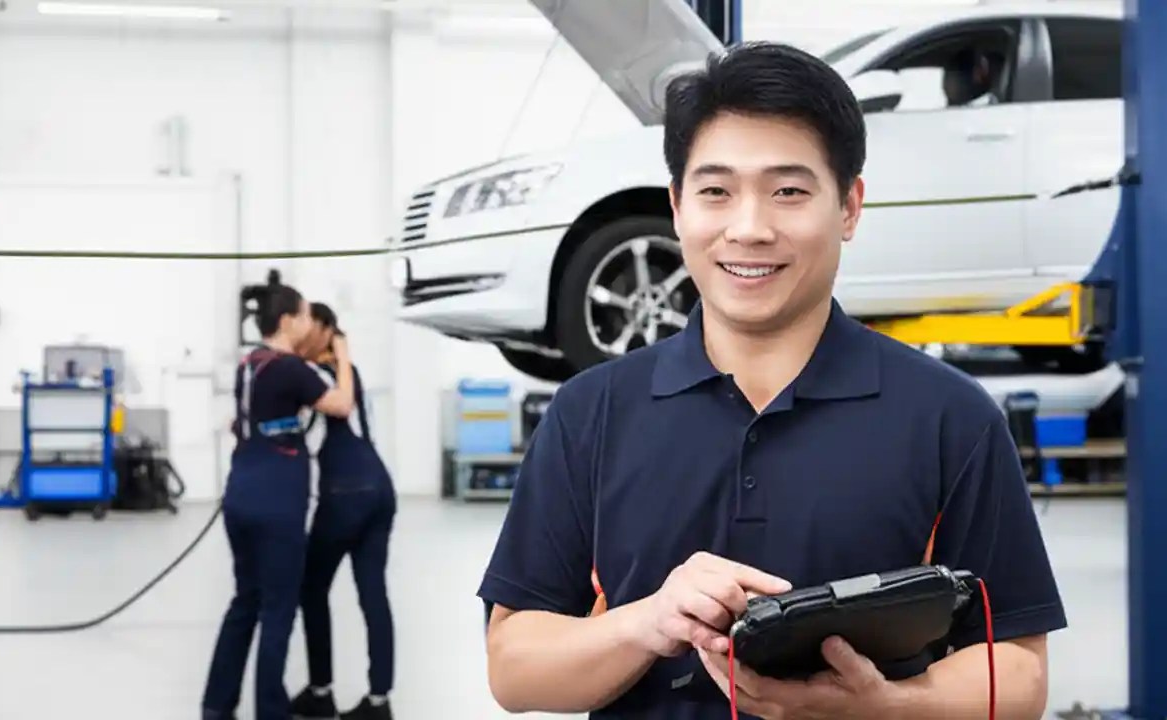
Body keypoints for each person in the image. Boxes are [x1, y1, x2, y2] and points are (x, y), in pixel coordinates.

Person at [477, 41, 1066, 720]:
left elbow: (1017, 673)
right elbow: (514, 670)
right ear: (676, 206)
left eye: (788, 191)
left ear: (849, 207)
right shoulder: (592, 414)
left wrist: (881, 706)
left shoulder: (950, 418)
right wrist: (646, 622)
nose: (749, 228)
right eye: (716, 191)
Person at [203, 276, 355, 720]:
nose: (310, 322)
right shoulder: (291, 369)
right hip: (277, 501)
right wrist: (342, 356)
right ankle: (271, 710)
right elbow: (342, 404)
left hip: (241, 494)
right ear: (288, 321)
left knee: (245, 599)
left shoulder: (248, 365)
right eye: (306, 314)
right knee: (278, 606)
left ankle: (217, 704)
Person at [290, 303, 397, 720]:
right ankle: (379, 701)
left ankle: (320, 692)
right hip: (379, 487)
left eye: (308, 325)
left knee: (311, 588)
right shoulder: (352, 374)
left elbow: (318, 423)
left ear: (326, 330)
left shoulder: (318, 376)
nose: (301, 333)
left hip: (345, 491)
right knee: (374, 596)